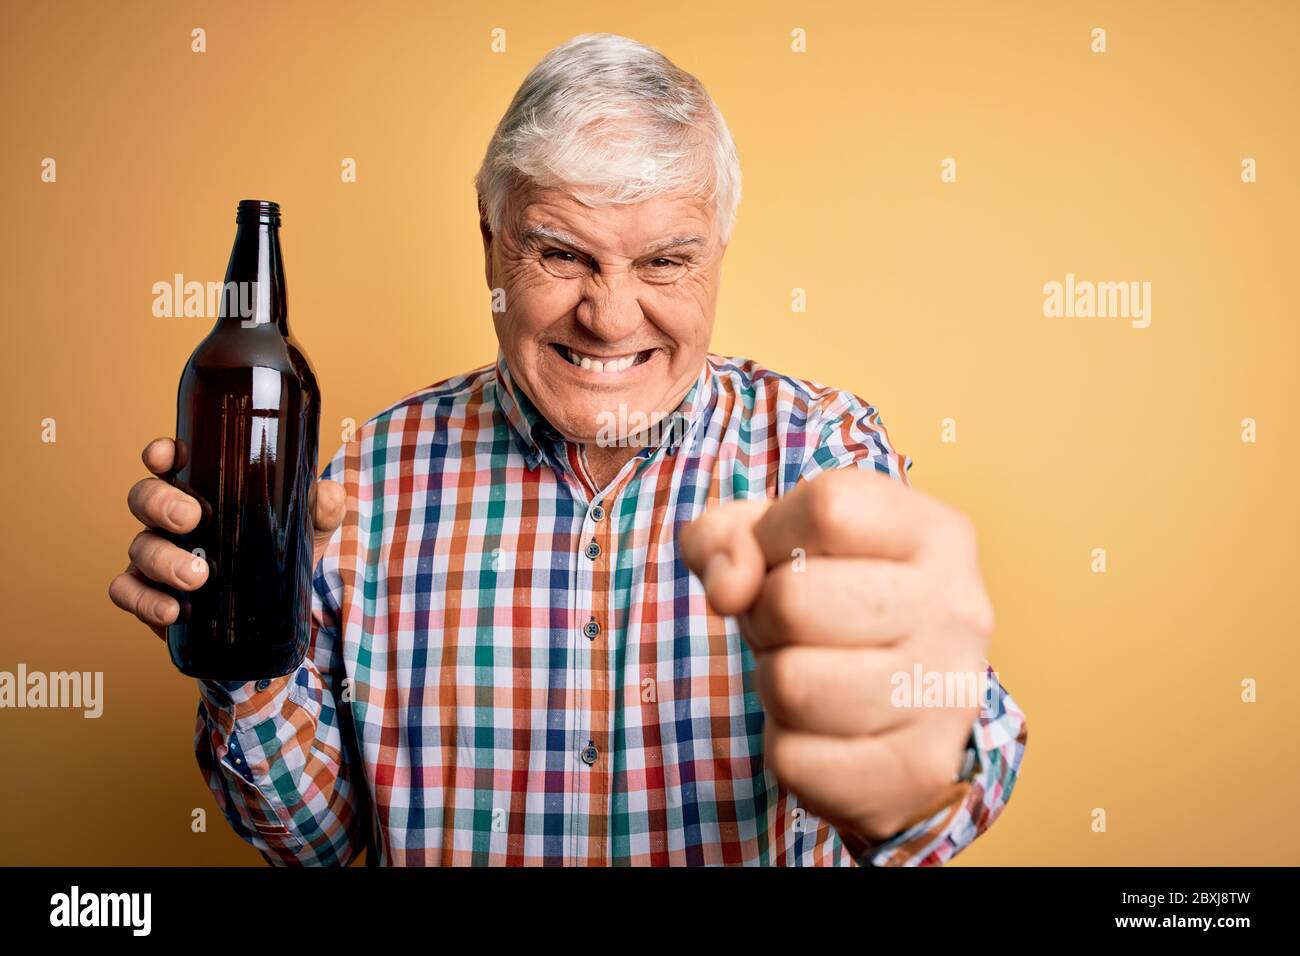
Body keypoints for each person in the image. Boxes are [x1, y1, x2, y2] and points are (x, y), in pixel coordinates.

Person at [109, 32, 1026, 866]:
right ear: (489, 243)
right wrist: (244, 666)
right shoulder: (366, 480)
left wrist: (914, 773)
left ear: (719, 251)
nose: (612, 316)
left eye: (666, 261)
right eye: (562, 255)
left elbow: (960, 776)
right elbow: (320, 846)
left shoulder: (820, 451)